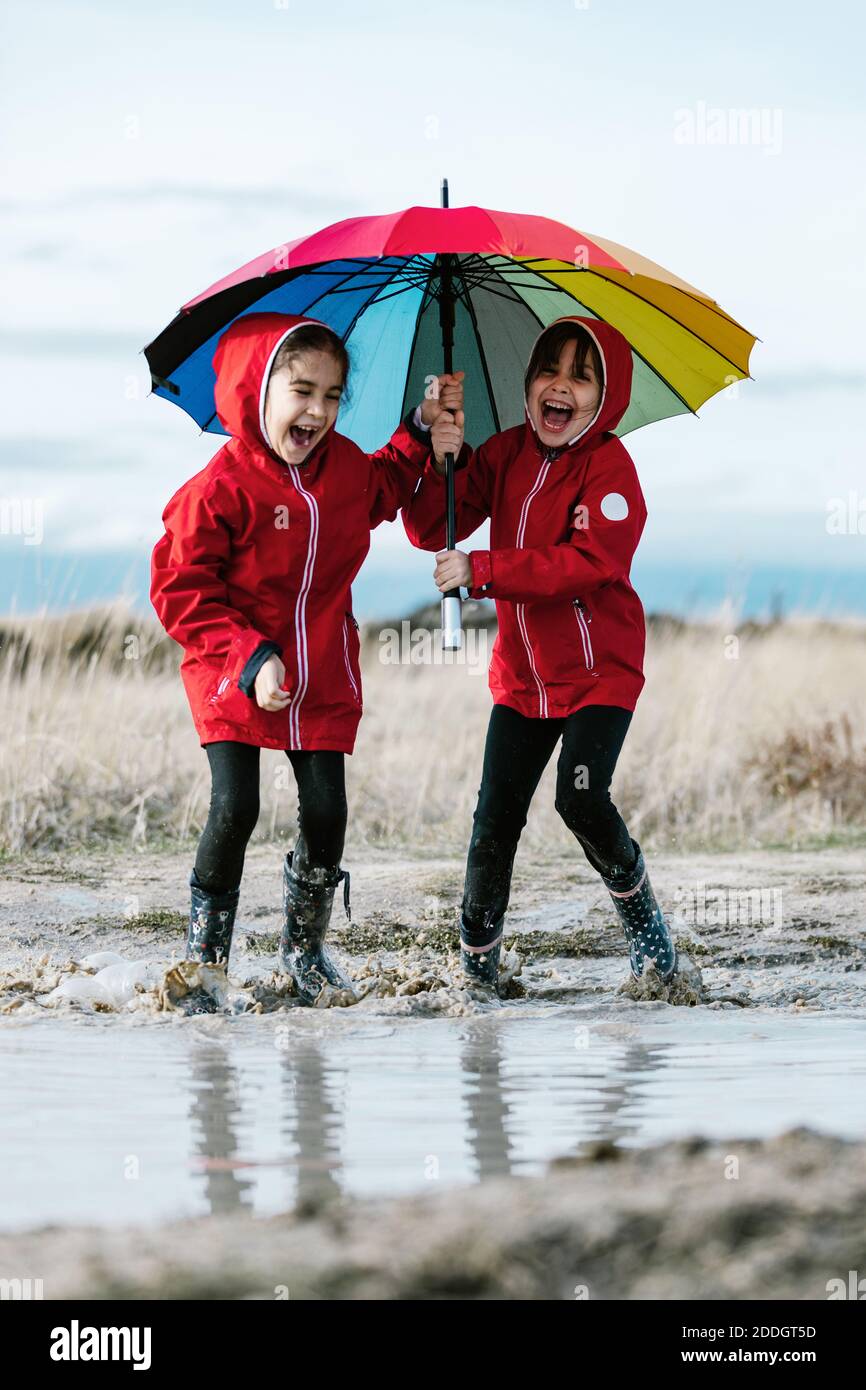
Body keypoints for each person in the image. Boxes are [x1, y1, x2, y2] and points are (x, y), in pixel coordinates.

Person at [150, 310, 462, 1004]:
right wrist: (250, 657)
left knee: (326, 814)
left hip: (319, 670)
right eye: (301, 390)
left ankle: (304, 950)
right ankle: (204, 963)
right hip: (232, 669)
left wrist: (420, 428)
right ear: (257, 388)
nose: (317, 410)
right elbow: (180, 588)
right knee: (236, 807)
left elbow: (383, 487)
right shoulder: (220, 486)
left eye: (331, 395)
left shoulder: (343, 468)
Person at [403, 315, 678, 992]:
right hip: (523, 679)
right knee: (494, 818)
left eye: (581, 377)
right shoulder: (501, 453)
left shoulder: (610, 469)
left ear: (606, 396)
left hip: (598, 674)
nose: (560, 387)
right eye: (548, 371)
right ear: (526, 385)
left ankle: (649, 941)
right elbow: (427, 527)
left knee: (580, 801)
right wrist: (436, 448)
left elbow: (588, 562)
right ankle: (477, 970)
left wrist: (484, 570)